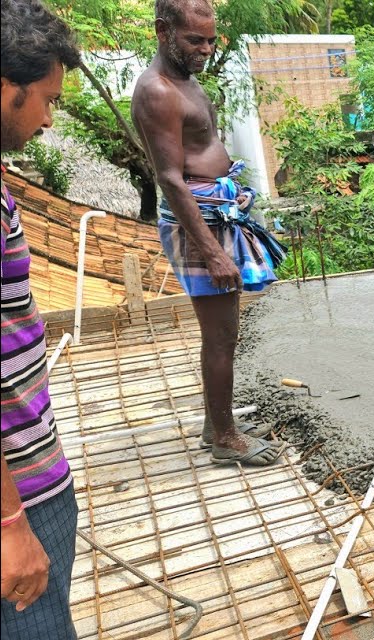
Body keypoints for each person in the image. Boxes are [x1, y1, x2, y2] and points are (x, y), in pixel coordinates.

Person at [132, 0, 283, 465]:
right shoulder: (158, 91)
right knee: (220, 335)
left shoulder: (186, 81)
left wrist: (231, 194)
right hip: (198, 224)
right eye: (195, 40)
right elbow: (171, 178)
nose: (206, 49)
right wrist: (213, 252)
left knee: (224, 332)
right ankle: (224, 439)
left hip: (217, 213)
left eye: (211, 39)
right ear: (163, 31)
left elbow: (201, 154)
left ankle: (216, 423)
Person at [1, 1, 84, 640]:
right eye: (47, 100)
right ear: (7, 87)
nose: (49, 120)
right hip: (18, 489)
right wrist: (9, 525)